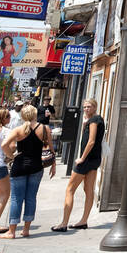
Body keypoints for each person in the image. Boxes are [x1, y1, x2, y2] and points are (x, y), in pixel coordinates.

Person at [0, 104, 55, 239]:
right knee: (31, 198)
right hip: (36, 166)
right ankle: (26, 229)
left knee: (16, 199)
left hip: (20, 166)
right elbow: (51, 148)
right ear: (35, 114)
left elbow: (4, 145)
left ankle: (11, 231)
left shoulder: (18, 130)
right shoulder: (44, 128)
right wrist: (53, 164)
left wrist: (11, 156)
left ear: (23, 116)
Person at [52, 99, 103, 232]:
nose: (86, 109)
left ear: (95, 107)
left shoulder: (94, 121)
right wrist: (85, 124)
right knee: (88, 190)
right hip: (95, 159)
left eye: (89, 106)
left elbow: (90, 141)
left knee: (70, 189)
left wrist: (81, 158)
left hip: (86, 160)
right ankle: (83, 221)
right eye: (85, 107)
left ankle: (64, 223)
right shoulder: (96, 120)